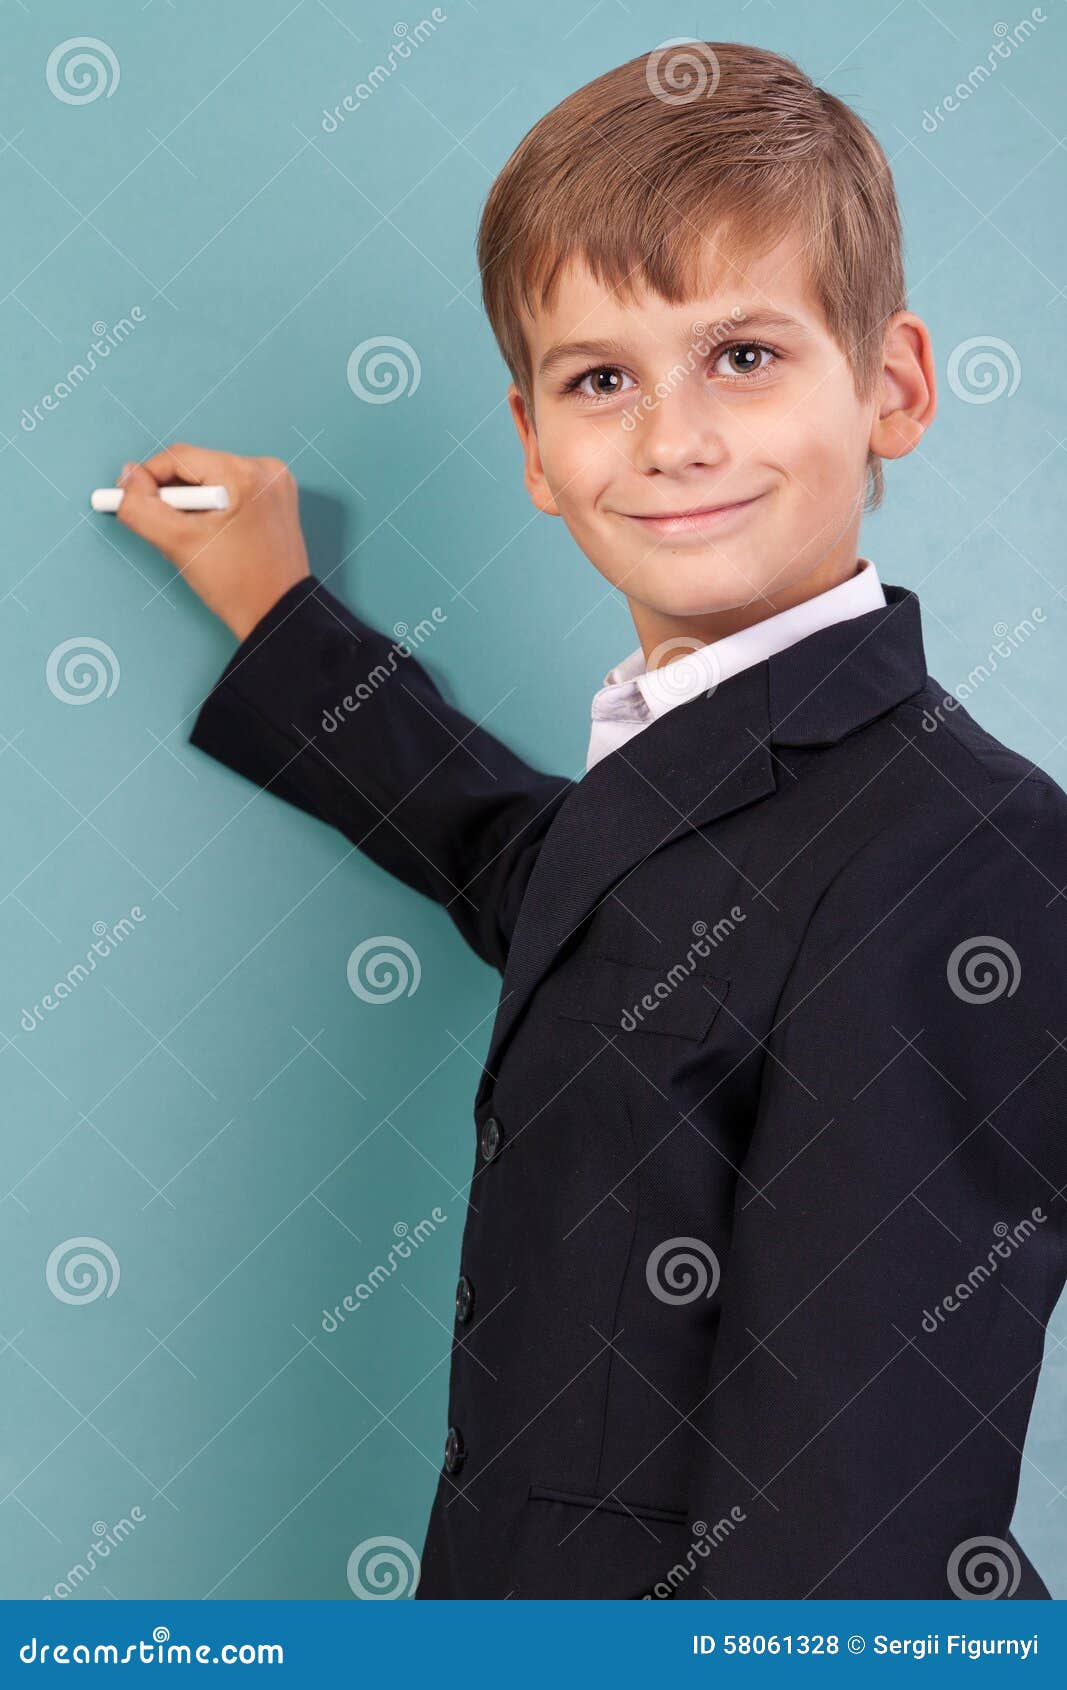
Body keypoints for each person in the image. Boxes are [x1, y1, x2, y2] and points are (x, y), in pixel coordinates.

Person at [112, 42, 1067, 1599]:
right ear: (534, 446)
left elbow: (852, 1510)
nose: (672, 437)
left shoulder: (971, 856)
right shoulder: (693, 794)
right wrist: (279, 616)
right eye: (602, 378)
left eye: (743, 355)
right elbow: (537, 869)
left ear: (891, 385)